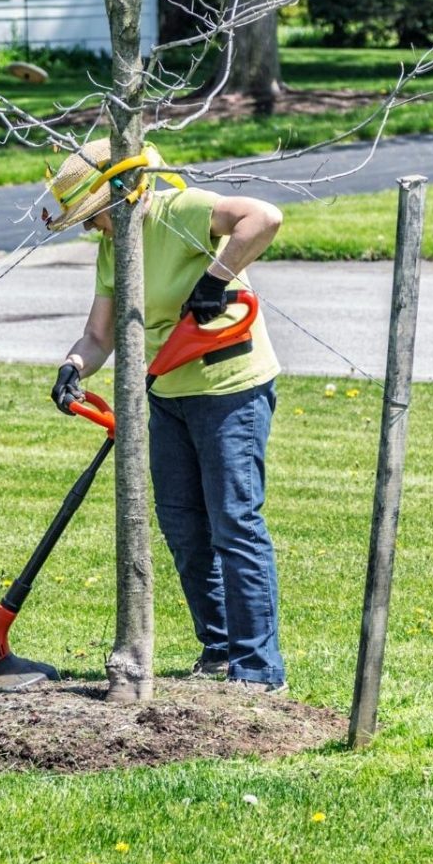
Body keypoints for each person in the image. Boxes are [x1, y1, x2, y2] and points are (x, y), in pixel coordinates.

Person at [43, 138, 287, 692]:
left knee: (234, 521)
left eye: (92, 215)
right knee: (182, 525)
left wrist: (215, 280)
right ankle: (220, 650)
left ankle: (259, 671)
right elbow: (99, 336)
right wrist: (73, 367)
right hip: (166, 391)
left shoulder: (182, 210)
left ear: (123, 194)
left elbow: (264, 217)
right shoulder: (115, 249)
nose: (88, 228)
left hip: (231, 387)